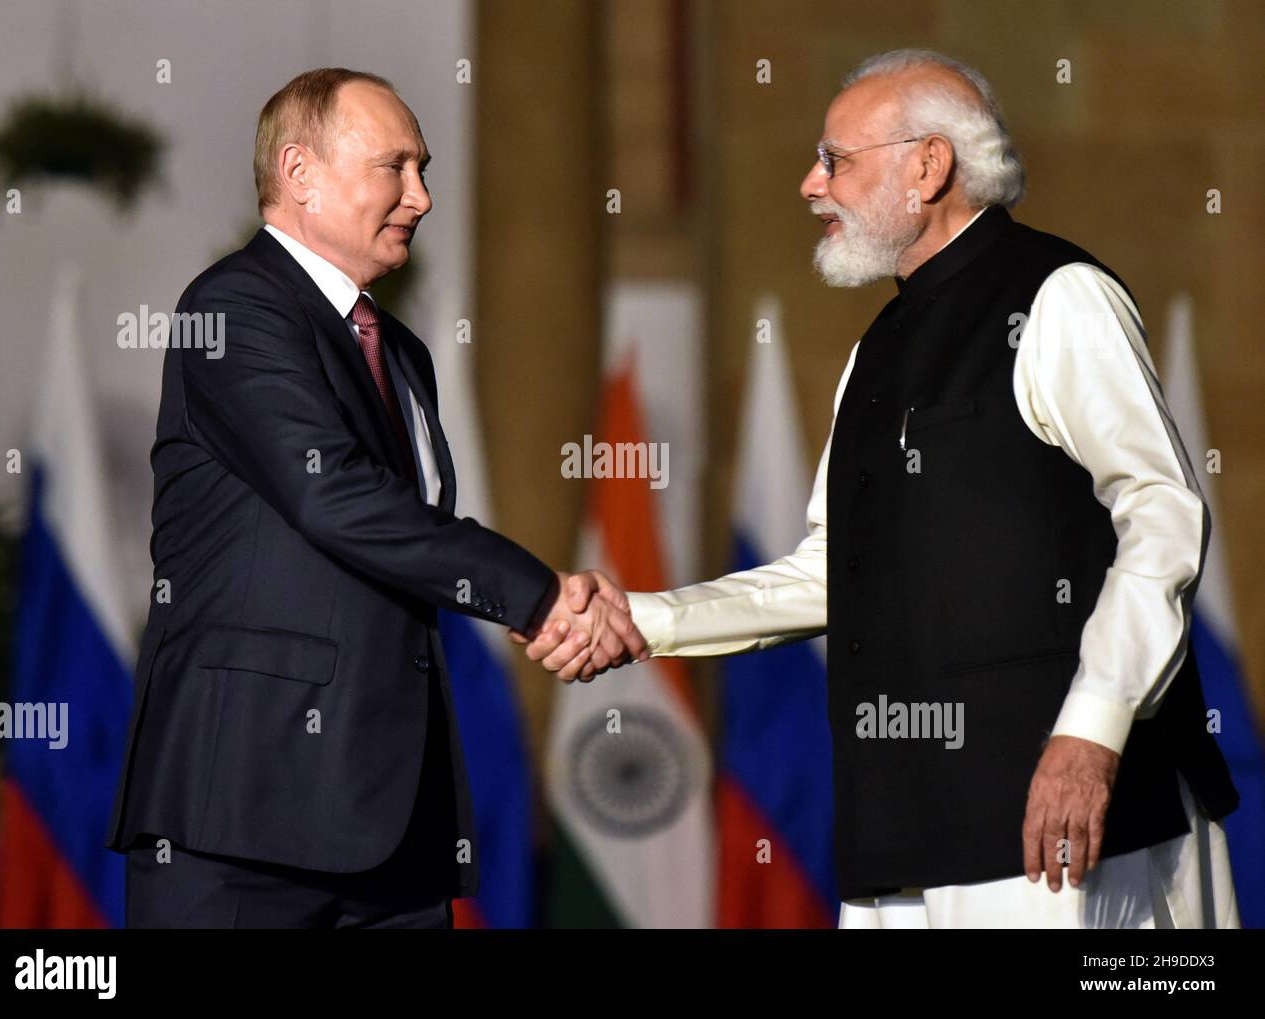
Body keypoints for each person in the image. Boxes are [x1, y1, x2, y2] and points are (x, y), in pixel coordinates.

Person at [524, 49, 1240, 929]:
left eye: (835, 159)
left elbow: (1164, 516)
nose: (808, 184)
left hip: (1062, 824)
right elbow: (833, 573)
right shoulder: (875, 349)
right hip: (902, 833)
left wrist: (1093, 725)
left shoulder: (1060, 296)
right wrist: (648, 618)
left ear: (928, 164)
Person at [105, 67, 646, 929]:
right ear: (299, 172)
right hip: (245, 816)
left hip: (393, 824)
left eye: (423, 169)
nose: (421, 197)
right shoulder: (235, 308)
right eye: (394, 167)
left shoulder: (400, 350)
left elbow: (405, 541)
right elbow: (338, 500)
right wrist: (540, 596)